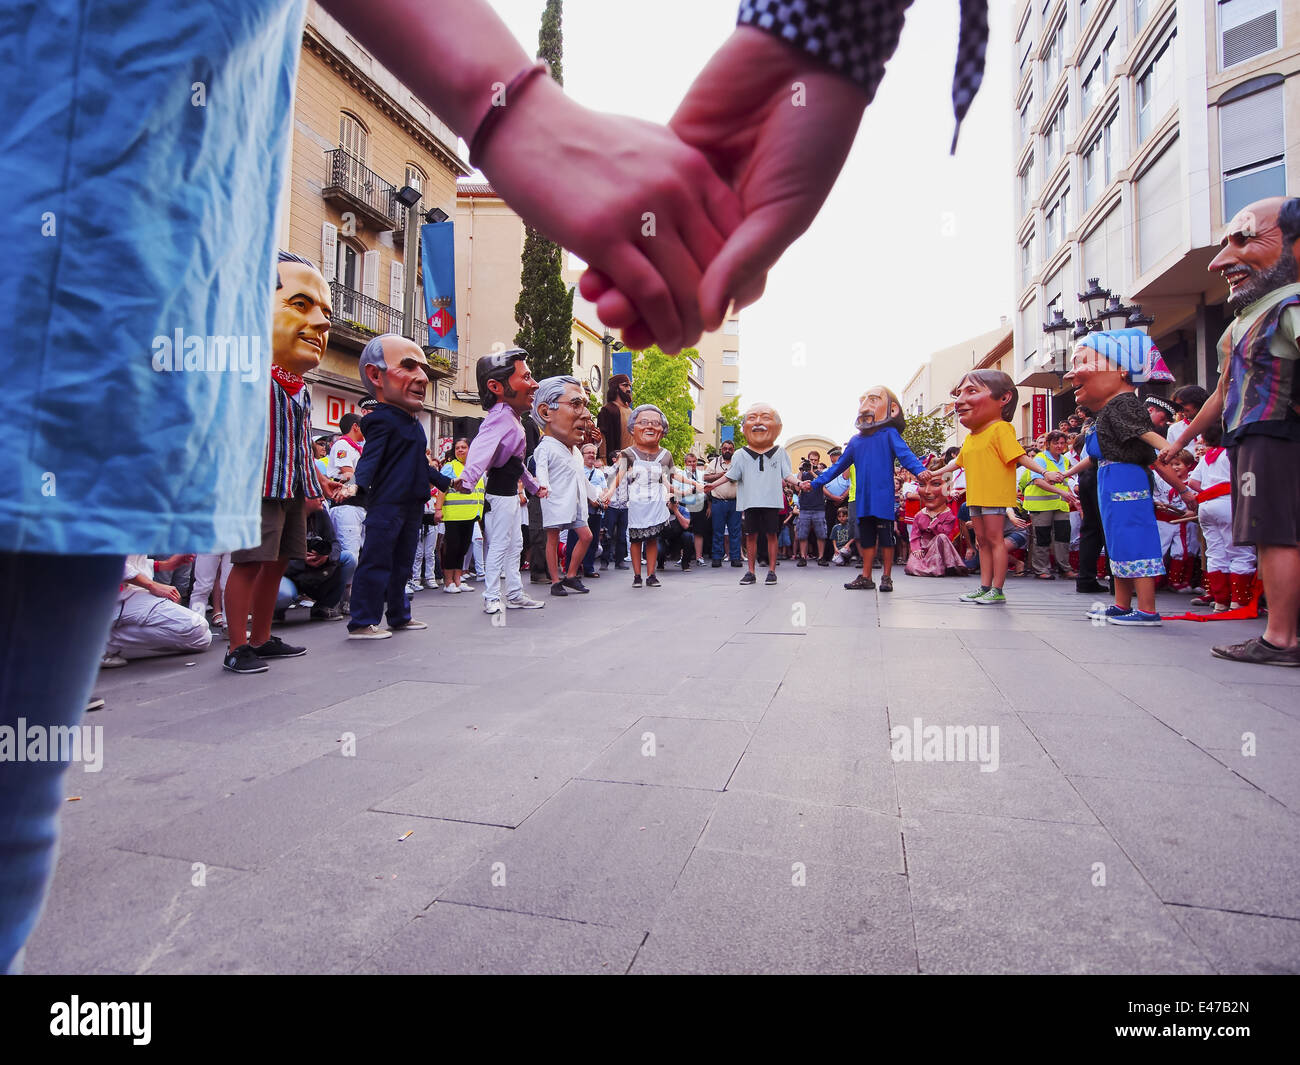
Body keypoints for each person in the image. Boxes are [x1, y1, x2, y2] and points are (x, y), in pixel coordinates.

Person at [1161, 197, 1300, 665]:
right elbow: (1222, 392)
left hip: (1273, 433)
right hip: (1253, 435)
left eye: (1244, 240)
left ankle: (1280, 638)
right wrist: (1179, 441)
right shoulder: (1243, 321)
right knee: (1270, 533)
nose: (1221, 261)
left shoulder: (1289, 306)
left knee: (1276, 533)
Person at [224, 252, 346, 675]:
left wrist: (318, 483)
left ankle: (261, 637)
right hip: (257, 486)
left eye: (325, 311)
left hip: (291, 485)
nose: (323, 322)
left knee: (277, 562)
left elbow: (299, 444)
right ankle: (237, 644)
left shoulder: (300, 388)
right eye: (301, 304)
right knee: (249, 562)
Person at [1055, 332, 1189, 626]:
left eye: (1085, 361)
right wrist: (1066, 473)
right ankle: (1122, 604)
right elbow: (1097, 454)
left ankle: (1147, 609)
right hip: (1109, 478)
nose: (1072, 372)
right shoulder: (1108, 411)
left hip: (1126, 480)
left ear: (1122, 371)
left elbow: (1148, 444)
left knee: (1134, 539)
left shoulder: (1124, 404)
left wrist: (1175, 453)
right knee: (1116, 541)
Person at [927, 371, 1071, 606]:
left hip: (994, 495)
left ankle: (997, 588)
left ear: (1004, 398)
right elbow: (958, 462)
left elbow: (1020, 456)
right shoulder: (973, 435)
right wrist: (933, 473)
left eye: (971, 391)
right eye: (960, 393)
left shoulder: (1001, 429)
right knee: (982, 542)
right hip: (975, 496)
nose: (961, 399)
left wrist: (1044, 472)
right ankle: (984, 586)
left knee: (995, 541)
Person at [347, 335, 453, 639]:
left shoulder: (413, 423)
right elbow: (370, 457)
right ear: (375, 375)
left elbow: (417, 464)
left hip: (411, 503)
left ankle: (398, 615)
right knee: (376, 561)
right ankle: (361, 622)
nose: (422, 377)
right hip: (387, 503)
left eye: (422, 368)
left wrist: (447, 482)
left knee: (403, 564)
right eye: (409, 366)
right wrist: (357, 485)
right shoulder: (381, 420)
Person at [453, 350, 546, 615]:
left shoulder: (512, 418)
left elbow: (517, 464)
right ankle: (492, 596)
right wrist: (468, 478)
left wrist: (533, 486)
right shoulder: (499, 418)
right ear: (495, 387)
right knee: (500, 546)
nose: (534, 384)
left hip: (508, 495)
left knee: (514, 544)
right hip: (500, 496)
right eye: (526, 376)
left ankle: (514, 593)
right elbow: (481, 449)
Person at [812, 387, 927, 593]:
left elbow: (906, 456)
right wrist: (814, 483)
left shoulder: (889, 434)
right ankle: (866, 577)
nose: (864, 405)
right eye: (862, 400)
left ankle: (886, 577)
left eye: (873, 399)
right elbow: (838, 467)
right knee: (865, 538)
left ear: (892, 410)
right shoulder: (856, 441)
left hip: (882, 498)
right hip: (862, 499)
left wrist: (922, 472)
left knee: (886, 538)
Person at [601, 405, 699, 587]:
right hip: (637, 504)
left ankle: (651, 575)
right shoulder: (628, 453)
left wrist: (694, 484)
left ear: (662, 429)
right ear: (633, 428)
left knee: (653, 539)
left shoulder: (665, 455)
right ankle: (637, 576)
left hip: (656, 503)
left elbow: (673, 476)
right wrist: (608, 493)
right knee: (637, 539)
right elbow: (619, 476)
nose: (650, 427)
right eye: (644, 422)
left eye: (655, 423)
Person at [705, 403, 801, 586]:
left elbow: (787, 474)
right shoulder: (740, 454)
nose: (758, 423)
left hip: (772, 502)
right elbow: (730, 475)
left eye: (765, 418)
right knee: (751, 536)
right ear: (744, 428)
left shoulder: (780, 452)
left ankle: (772, 571)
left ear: (777, 427)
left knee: (772, 535)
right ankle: (750, 571)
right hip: (750, 502)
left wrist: (800, 483)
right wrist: (712, 485)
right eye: (752, 419)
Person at [531, 376, 602, 597]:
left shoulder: (576, 451)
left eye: (585, 406)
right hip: (554, 500)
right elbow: (540, 469)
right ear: (545, 412)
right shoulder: (545, 447)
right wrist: (543, 486)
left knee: (587, 536)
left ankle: (571, 575)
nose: (586, 414)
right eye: (576, 404)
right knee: (552, 538)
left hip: (576, 502)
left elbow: (581, 477)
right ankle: (555, 581)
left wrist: (596, 496)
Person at [1187, 424, 1256, 612]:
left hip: (1207, 507)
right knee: (1240, 551)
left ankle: (1221, 601)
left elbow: (1193, 482)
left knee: (1216, 552)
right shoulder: (1233, 452)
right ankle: (1239, 601)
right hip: (1229, 504)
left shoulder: (1207, 457)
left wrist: (1210, 493)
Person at [101, 555, 213, 665]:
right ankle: (102, 640)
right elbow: (109, 561)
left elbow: (132, 561)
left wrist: (165, 565)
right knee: (198, 625)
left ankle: (105, 637)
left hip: (133, 593)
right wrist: (152, 585)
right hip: (115, 596)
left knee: (202, 639)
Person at [275, 498, 357, 620]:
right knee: (282, 595)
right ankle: (274, 610)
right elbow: (274, 558)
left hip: (317, 569)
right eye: (316, 494)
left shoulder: (320, 513)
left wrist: (327, 557)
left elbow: (334, 543)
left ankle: (324, 606)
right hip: (289, 572)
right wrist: (301, 560)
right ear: (303, 497)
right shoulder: (284, 516)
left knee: (349, 558)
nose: (322, 498)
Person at [1019, 430, 1076, 580]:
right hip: (1041, 505)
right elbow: (1038, 481)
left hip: (1060, 504)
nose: (1059, 446)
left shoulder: (1064, 460)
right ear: (1048, 444)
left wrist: (1071, 496)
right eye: (1056, 443)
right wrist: (1062, 492)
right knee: (1042, 536)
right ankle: (1041, 569)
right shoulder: (1040, 458)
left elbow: (1066, 480)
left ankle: (1064, 568)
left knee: (1063, 536)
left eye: (1062, 443)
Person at [439, 437, 484, 594]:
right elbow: (441, 489)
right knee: (452, 548)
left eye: (463, 447)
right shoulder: (449, 467)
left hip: (470, 515)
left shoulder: (475, 468)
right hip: (453, 515)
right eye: (457, 448)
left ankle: (458, 580)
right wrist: (438, 510)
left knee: (463, 548)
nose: (460, 450)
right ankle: (448, 581)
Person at [904, 479, 968, 577]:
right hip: (924, 547)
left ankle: (946, 566)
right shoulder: (919, 515)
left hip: (939, 545)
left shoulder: (949, 515)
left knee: (941, 537)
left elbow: (945, 535)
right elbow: (914, 535)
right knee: (913, 567)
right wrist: (916, 549)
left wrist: (935, 523)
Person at [568, 443, 607, 579]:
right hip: (579, 510)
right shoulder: (577, 470)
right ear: (582, 455)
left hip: (596, 512)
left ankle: (589, 568)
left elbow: (605, 490)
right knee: (574, 540)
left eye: (593, 453)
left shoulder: (600, 473)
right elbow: (574, 489)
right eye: (588, 452)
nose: (591, 455)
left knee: (593, 541)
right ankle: (572, 568)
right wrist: (590, 499)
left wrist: (604, 500)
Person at [705, 439, 744, 567]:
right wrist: (719, 475)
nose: (727, 450)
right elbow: (705, 477)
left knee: (735, 531)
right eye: (725, 448)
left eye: (730, 449)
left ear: (733, 450)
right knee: (717, 531)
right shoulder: (714, 462)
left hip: (735, 502)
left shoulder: (738, 462)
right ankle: (717, 557)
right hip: (718, 502)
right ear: (721, 449)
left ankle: (735, 558)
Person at [795, 450, 827, 566]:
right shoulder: (802, 475)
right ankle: (803, 557)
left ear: (818, 461)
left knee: (821, 534)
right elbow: (797, 488)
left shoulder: (820, 473)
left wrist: (812, 471)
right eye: (811, 460)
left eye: (815, 460)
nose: (813, 462)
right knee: (802, 534)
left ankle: (821, 557)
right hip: (805, 507)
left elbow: (822, 482)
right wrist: (801, 470)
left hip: (818, 507)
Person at [597, 374, 633, 463]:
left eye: (629, 385)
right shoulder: (608, 410)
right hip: (614, 462)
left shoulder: (630, 411)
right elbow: (602, 436)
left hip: (632, 462)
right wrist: (603, 459)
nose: (628, 389)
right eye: (625, 385)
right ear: (616, 388)